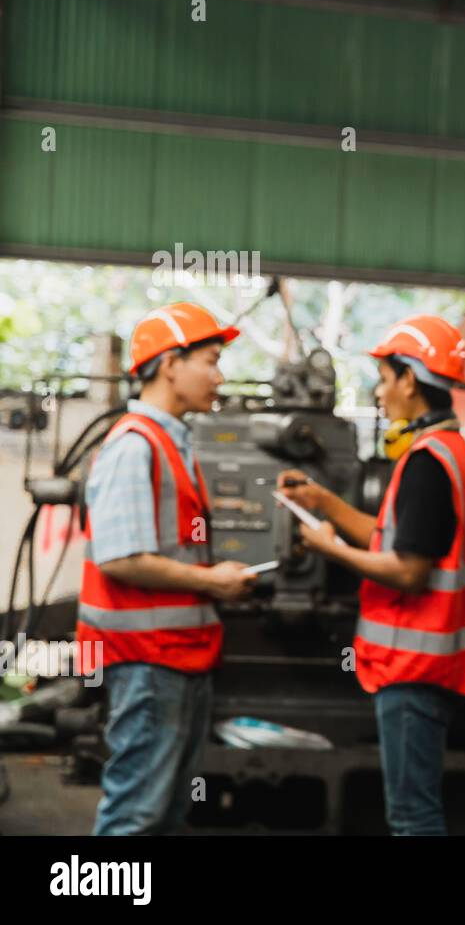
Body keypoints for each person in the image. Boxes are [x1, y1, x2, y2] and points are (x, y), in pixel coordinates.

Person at [277, 314, 465, 835]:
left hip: (413, 670)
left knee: (412, 817)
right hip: (428, 668)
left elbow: (407, 570)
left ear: (410, 381)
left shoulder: (425, 462)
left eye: (385, 378)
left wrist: (330, 548)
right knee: (414, 810)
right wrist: (324, 502)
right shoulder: (448, 451)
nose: (379, 390)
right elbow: (398, 536)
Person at [79, 301, 255, 835]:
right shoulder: (137, 447)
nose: (219, 376)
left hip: (177, 659)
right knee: (136, 816)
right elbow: (121, 557)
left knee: (165, 816)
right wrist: (212, 581)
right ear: (169, 364)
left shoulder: (174, 444)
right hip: (147, 662)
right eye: (210, 360)